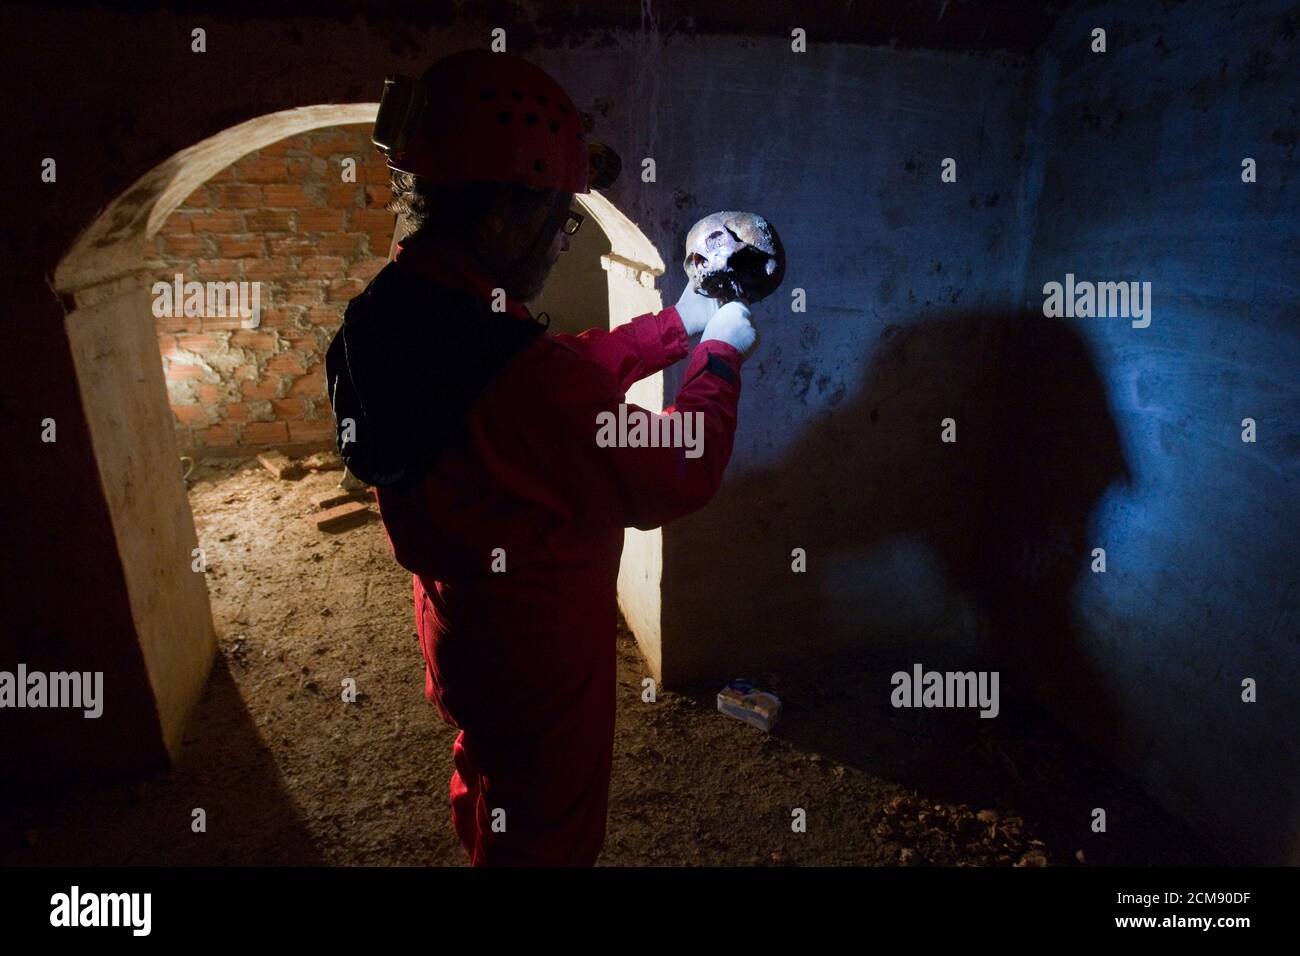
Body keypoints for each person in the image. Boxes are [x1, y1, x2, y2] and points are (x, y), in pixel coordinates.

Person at [325, 49, 757, 866]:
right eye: (560, 218)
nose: (562, 242)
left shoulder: (402, 307)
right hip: (539, 650)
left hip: (464, 627)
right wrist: (720, 359)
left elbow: (545, 376)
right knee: (545, 832)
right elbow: (678, 462)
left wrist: (674, 328)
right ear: (500, 214)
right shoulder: (515, 374)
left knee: (491, 781)